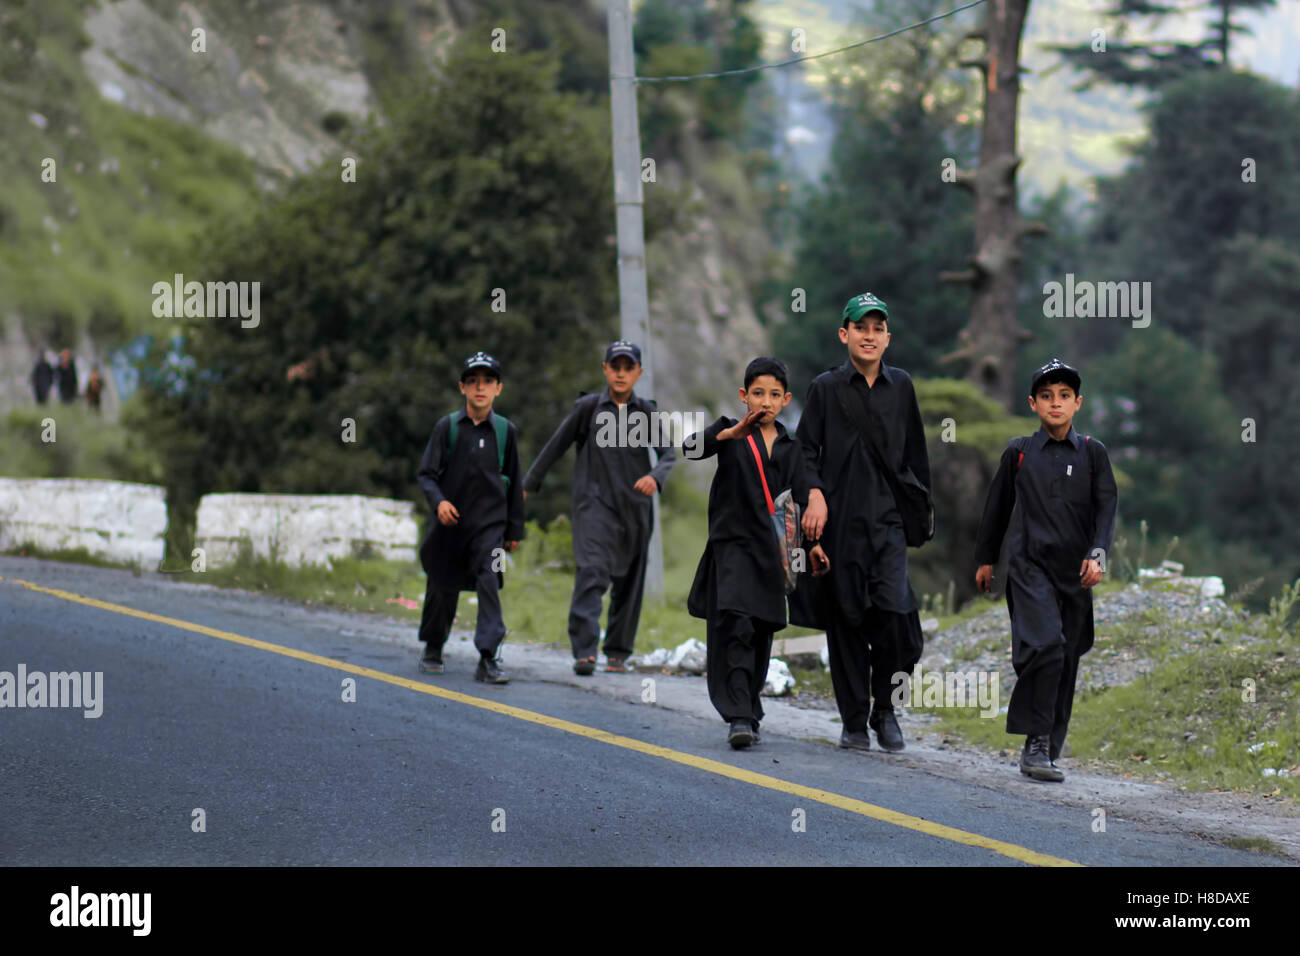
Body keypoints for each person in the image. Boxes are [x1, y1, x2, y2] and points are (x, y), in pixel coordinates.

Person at [794, 293, 930, 754]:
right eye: (861, 327)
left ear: (887, 337)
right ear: (844, 334)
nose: (869, 336)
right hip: (839, 525)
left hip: (888, 524)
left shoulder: (902, 386)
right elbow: (804, 451)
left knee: (898, 620)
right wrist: (812, 495)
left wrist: (920, 516)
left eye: (877, 328)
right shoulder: (826, 388)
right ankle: (854, 721)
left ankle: (885, 709)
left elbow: (915, 457)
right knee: (847, 622)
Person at [974, 358, 1117, 782]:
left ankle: (1047, 749)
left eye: (1064, 396)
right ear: (1033, 403)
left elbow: (1107, 510)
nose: (1056, 403)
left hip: (1074, 573)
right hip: (1028, 566)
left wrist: (1098, 554)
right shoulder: (1018, 453)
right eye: (1047, 396)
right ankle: (1035, 742)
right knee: (1045, 647)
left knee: (1067, 656)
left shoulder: (1094, 453)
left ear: (1078, 403)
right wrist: (985, 560)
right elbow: (996, 509)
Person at [685, 358, 827, 749]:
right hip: (731, 548)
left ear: (786, 400)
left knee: (761, 630)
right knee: (736, 626)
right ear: (744, 396)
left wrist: (813, 547)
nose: (765, 401)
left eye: (774, 395)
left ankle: (749, 705)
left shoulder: (792, 447)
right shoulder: (729, 432)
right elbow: (689, 448)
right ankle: (739, 717)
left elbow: (800, 498)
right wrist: (731, 432)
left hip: (773, 556)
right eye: (758, 394)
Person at [522, 341, 677, 675]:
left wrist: (655, 477)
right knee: (592, 570)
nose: (621, 374)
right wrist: (527, 485)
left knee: (630, 581)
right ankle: (584, 650)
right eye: (615, 367)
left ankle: (618, 652)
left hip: (636, 509)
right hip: (594, 506)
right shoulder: (588, 408)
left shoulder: (646, 412)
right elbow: (555, 446)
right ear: (606, 369)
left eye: (628, 368)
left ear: (638, 372)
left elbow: (668, 455)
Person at [415, 351, 525, 684]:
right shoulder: (447, 427)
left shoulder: (506, 432)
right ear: (462, 387)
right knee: (441, 585)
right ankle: (433, 648)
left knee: (489, 584)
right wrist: (439, 503)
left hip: (489, 528)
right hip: (451, 525)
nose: (481, 388)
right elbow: (426, 474)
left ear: (498, 388)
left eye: (488, 381)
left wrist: (513, 530)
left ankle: (489, 658)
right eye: (473, 381)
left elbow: (515, 482)